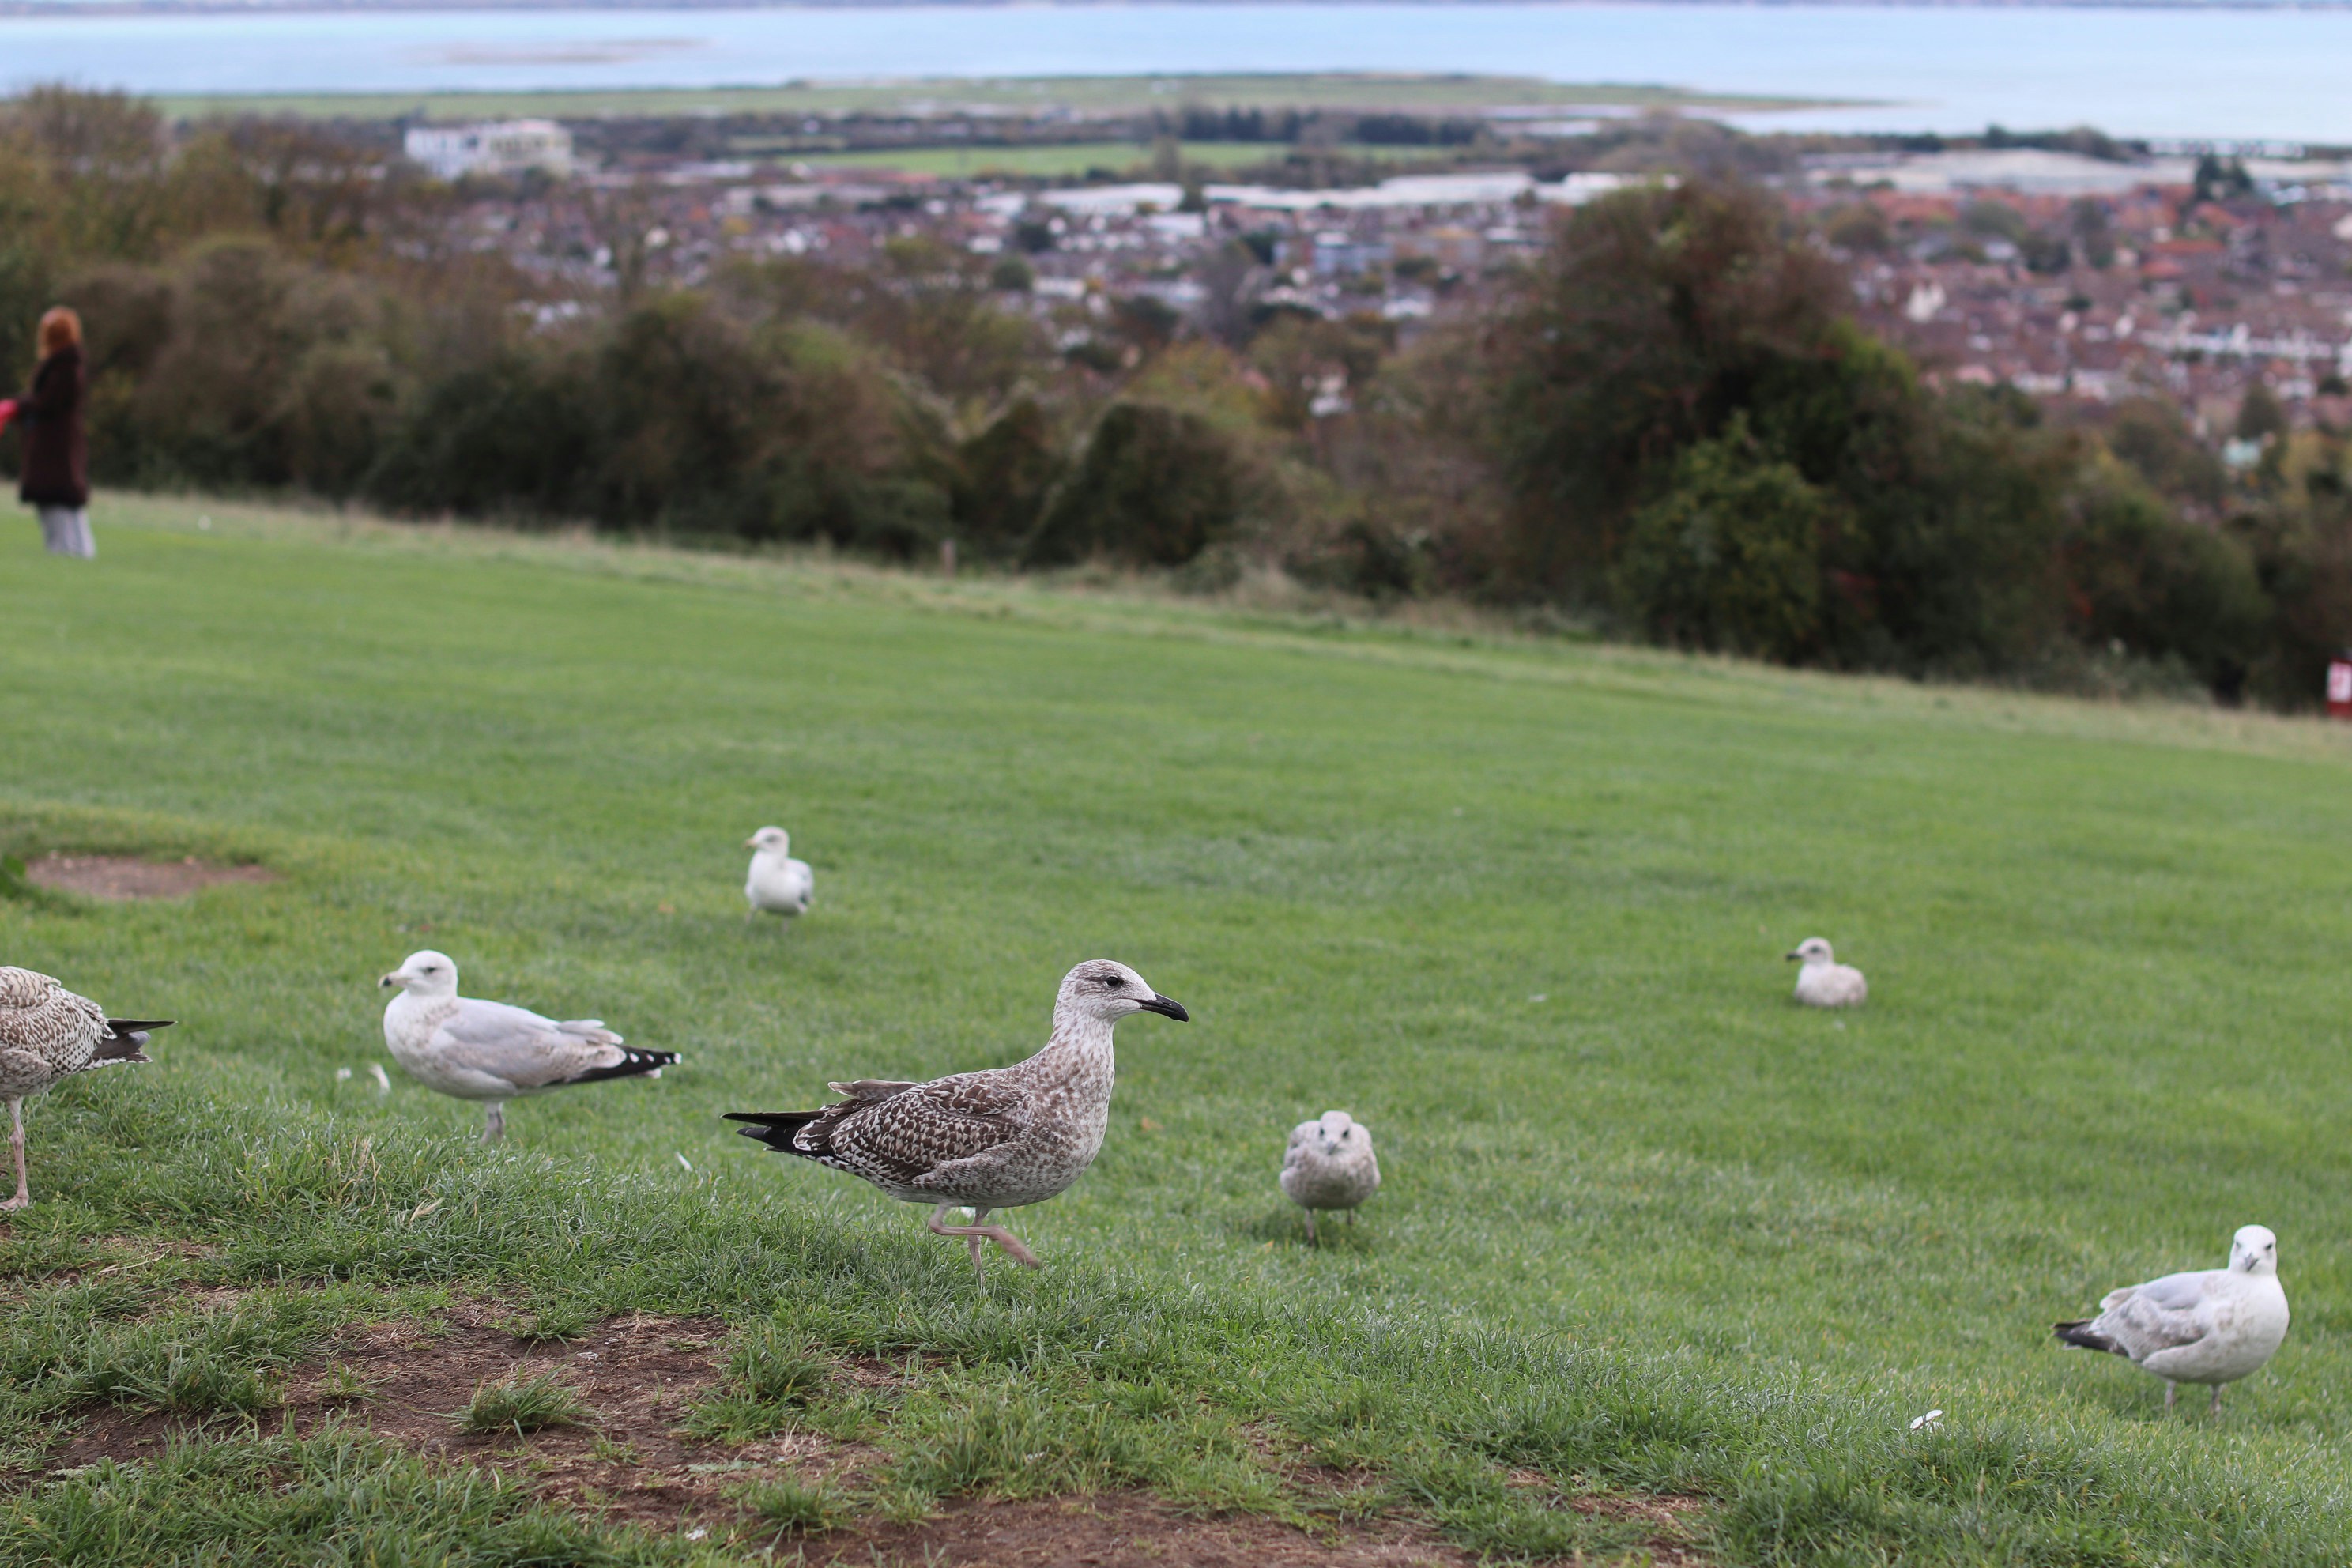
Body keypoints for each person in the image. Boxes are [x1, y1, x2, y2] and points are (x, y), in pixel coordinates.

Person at [14, 307, 92, 558]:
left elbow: (44, 402)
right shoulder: (66, 366)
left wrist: (15, 407)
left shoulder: (64, 368)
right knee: (67, 507)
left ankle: (68, 556)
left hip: (53, 455)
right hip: (60, 454)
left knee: (58, 507)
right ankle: (77, 555)